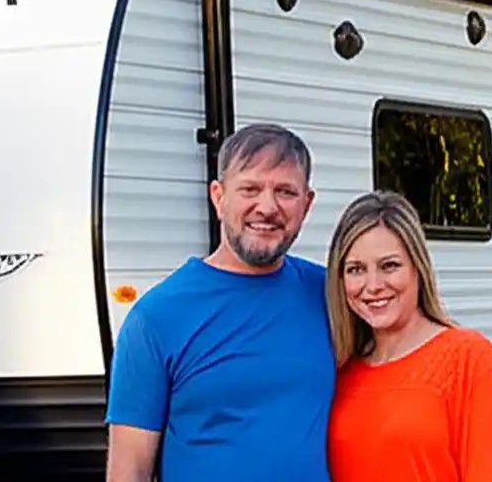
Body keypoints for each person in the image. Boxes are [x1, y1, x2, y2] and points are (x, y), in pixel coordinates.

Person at [104, 123, 336, 482]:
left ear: (307, 204)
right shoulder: (157, 317)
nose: (267, 207)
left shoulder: (330, 296)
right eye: (250, 189)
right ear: (218, 197)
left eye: (285, 191)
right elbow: (129, 468)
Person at [324, 190, 492, 482]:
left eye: (389, 265)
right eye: (356, 270)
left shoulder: (469, 359)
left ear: (418, 268)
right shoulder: (341, 371)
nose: (373, 285)